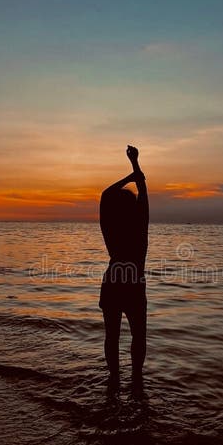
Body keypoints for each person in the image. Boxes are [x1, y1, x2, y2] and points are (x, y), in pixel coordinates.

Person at [99, 145, 149, 387]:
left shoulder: (112, 230)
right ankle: (137, 379)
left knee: (112, 337)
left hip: (112, 283)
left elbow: (105, 195)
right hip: (134, 286)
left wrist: (131, 174)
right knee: (138, 335)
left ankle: (114, 379)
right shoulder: (139, 228)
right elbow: (143, 195)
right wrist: (135, 165)